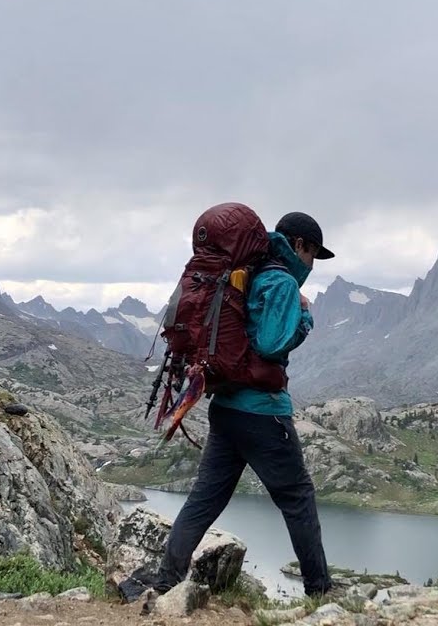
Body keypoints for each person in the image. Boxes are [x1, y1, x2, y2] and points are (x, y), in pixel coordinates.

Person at [130, 211, 338, 599]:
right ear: (299, 245)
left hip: (226, 408)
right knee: (298, 499)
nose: (312, 265)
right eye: (313, 254)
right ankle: (320, 591)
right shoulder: (281, 281)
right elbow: (270, 344)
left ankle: (166, 582)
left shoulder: (248, 270)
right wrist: (304, 317)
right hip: (263, 413)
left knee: (204, 500)